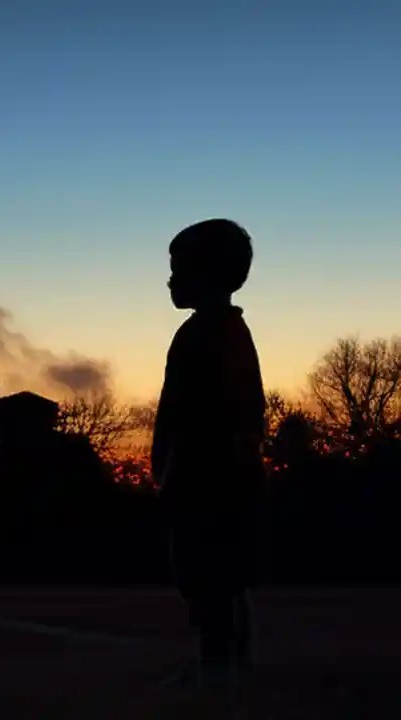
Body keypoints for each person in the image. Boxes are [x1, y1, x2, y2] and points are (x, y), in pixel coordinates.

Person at [151, 218, 266, 689]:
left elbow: (198, 415)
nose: (171, 279)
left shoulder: (205, 335)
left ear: (207, 273)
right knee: (220, 580)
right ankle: (226, 664)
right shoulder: (222, 332)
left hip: (208, 481)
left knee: (207, 580)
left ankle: (218, 668)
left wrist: (175, 470)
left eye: (179, 269)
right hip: (221, 479)